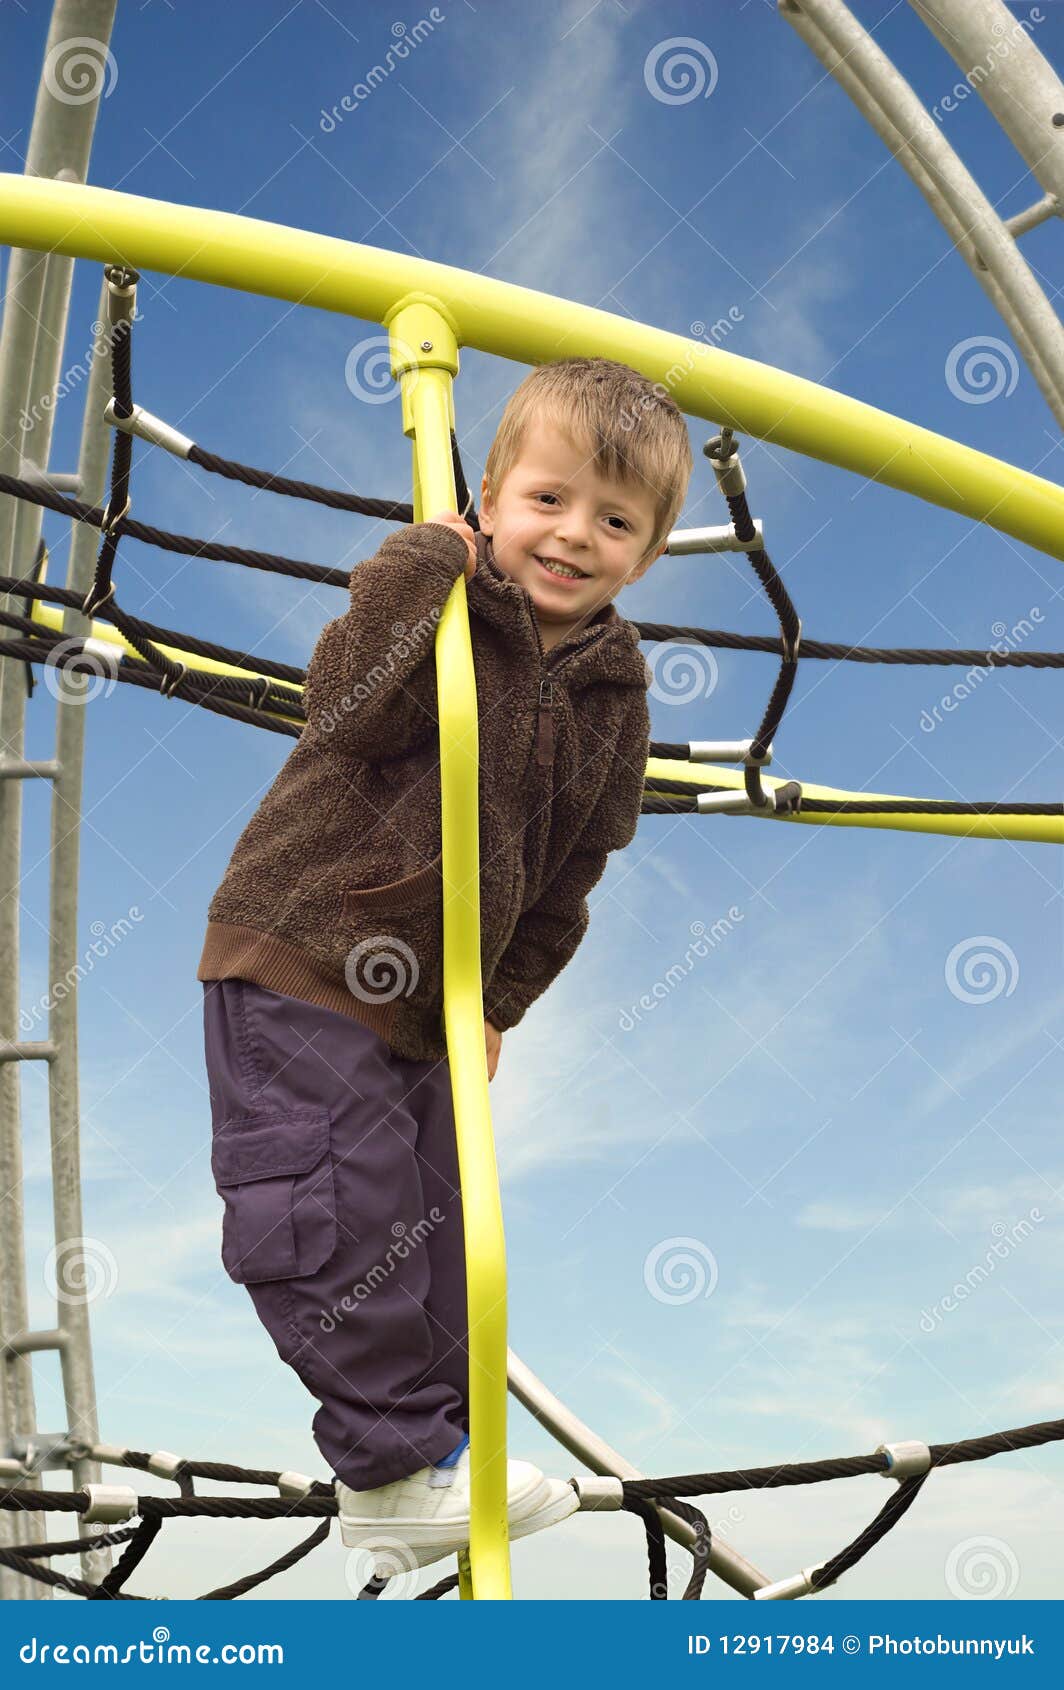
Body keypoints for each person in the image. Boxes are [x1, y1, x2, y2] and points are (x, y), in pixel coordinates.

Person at [198, 355, 693, 1571]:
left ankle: (428, 1464)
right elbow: (344, 708)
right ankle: (388, 1466)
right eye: (547, 500)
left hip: (434, 1001)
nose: (572, 535)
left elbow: (571, 873)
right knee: (335, 1202)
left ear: (646, 552)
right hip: (310, 948)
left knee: (438, 1232)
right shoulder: (445, 598)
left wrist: (502, 1002)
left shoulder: (615, 697)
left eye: (614, 521)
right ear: (490, 496)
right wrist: (423, 562)